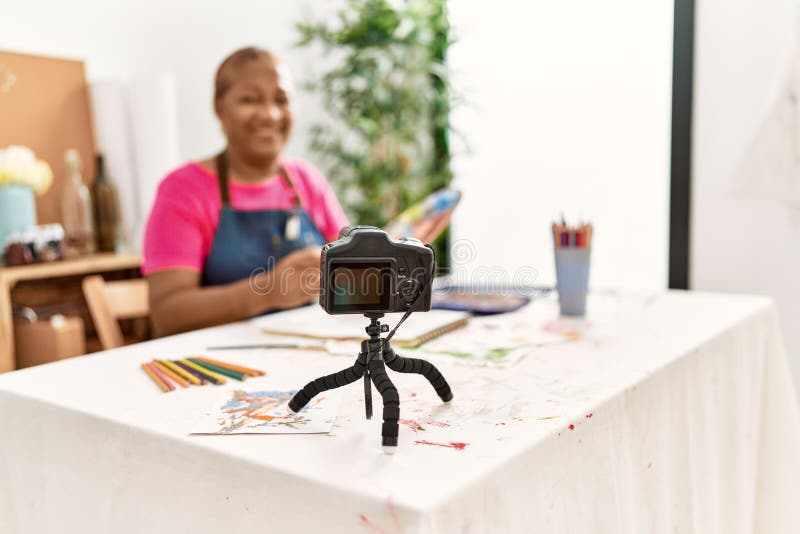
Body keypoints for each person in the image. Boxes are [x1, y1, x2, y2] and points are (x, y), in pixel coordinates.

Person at [143, 46, 450, 337]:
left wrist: (393, 251)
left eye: (282, 100)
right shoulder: (183, 190)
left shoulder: (306, 180)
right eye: (250, 100)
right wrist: (268, 290)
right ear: (219, 108)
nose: (271, 114)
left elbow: (352, 277)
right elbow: (167, 313)